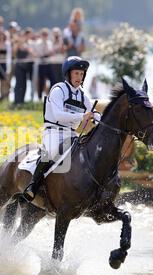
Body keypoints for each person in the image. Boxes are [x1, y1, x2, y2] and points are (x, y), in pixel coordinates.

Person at [23, 56, 101, 201]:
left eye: (82, 74)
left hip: (71, 134)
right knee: (51, 152)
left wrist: (102, 120)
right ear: (69, 74)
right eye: (76, 73)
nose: (79, 77)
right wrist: (83, 116)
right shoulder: (58, 90)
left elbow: (94, 112)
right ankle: (33, 185)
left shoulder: (82, 95)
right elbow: (58, 115)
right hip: (53, 132)